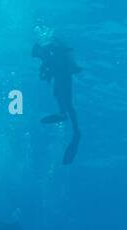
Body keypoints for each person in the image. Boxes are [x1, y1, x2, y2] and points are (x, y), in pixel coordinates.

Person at [32, 34, 83, 164]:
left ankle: (76, 130)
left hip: (64, 76)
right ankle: (63, 115)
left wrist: (47, 72)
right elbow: (48, 71)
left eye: (36, 55)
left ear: (38, 49)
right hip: (61, 76)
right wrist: (45, 73)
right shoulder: (47, 55)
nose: (38, 57)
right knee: (58, 95)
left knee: (68, 102)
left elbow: (56, 65)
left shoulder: (48, 49)